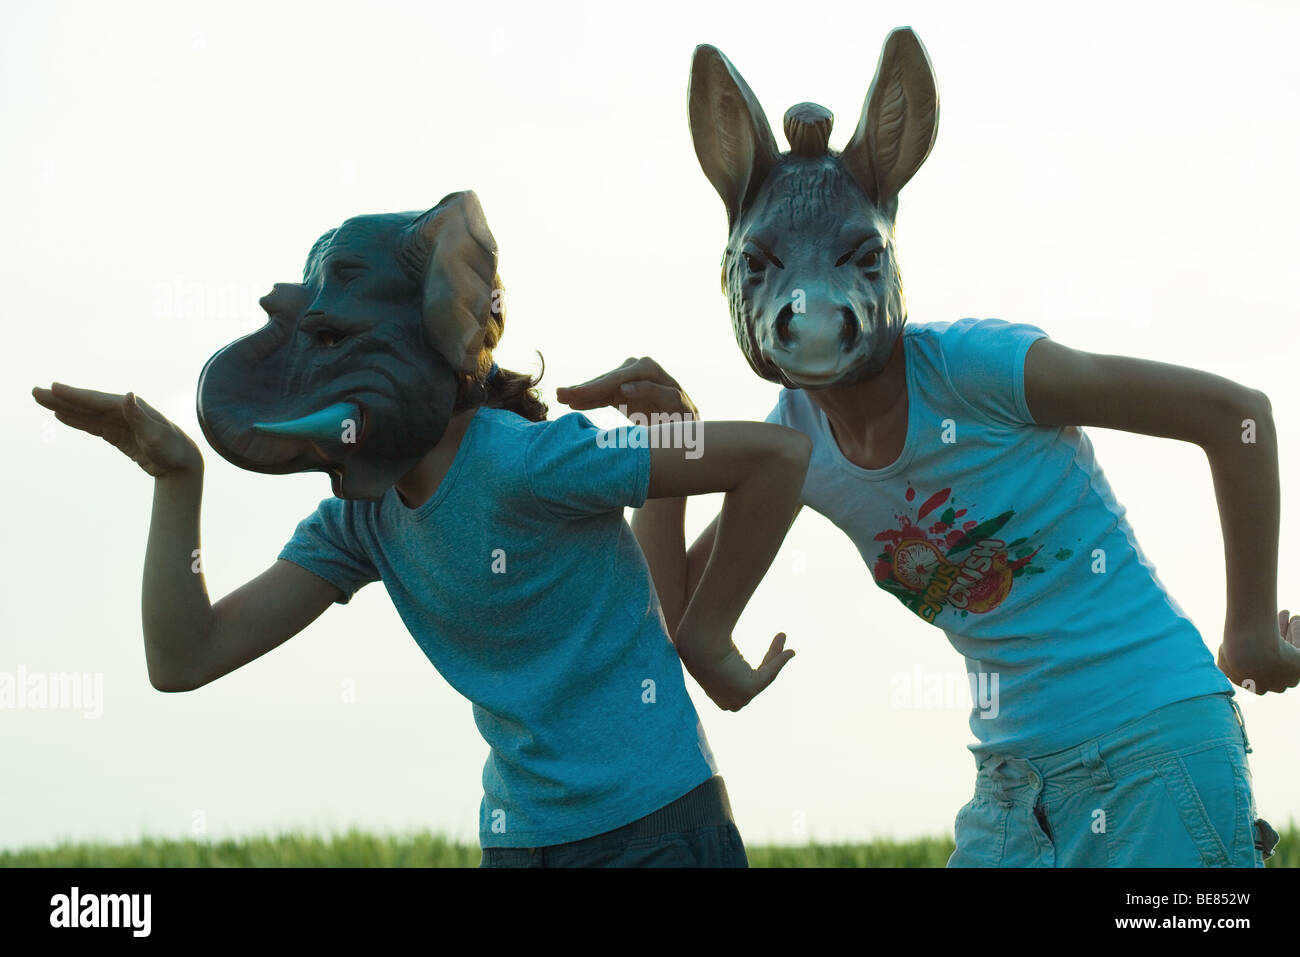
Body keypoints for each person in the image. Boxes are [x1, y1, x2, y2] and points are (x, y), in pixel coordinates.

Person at [31, 274, 811, 871]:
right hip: (520, 841)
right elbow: (184, 656)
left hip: (656, 831)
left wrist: (707, 637)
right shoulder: (363, 519)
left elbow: (780, 457)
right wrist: (177, 479)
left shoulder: (530, 458)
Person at [558, 320, 1297, 867]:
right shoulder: (797, 443)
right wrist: (667, 442)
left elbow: (1237, 417)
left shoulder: (980, 367)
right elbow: (679, 615)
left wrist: (1252, 634)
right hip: (1013, 788)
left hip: (1152, 751)